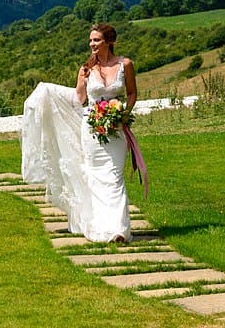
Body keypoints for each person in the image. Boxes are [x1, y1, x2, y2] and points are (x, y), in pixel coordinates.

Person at [20, 23, 144, 243]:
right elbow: (79, 99)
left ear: (109, 41)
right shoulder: (86, 68)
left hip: (115, 130)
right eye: (90, 41)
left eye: (96, 40)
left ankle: (119, 229)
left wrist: (123, 112)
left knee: (114, 177)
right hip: (92, 130)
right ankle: (103, 228)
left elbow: (132, 93)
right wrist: (55, 90)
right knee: (95, 177)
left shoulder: (125, 64)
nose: (92, 44)